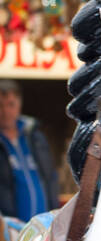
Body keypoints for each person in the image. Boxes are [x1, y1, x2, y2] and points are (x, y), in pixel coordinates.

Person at [0, 80, 61, 220]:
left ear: (19, 105)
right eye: (0, 105)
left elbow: (50, 176)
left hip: (44, 224)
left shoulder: (35, 136)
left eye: (11, 104)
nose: (5, 111)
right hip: (10, 230)